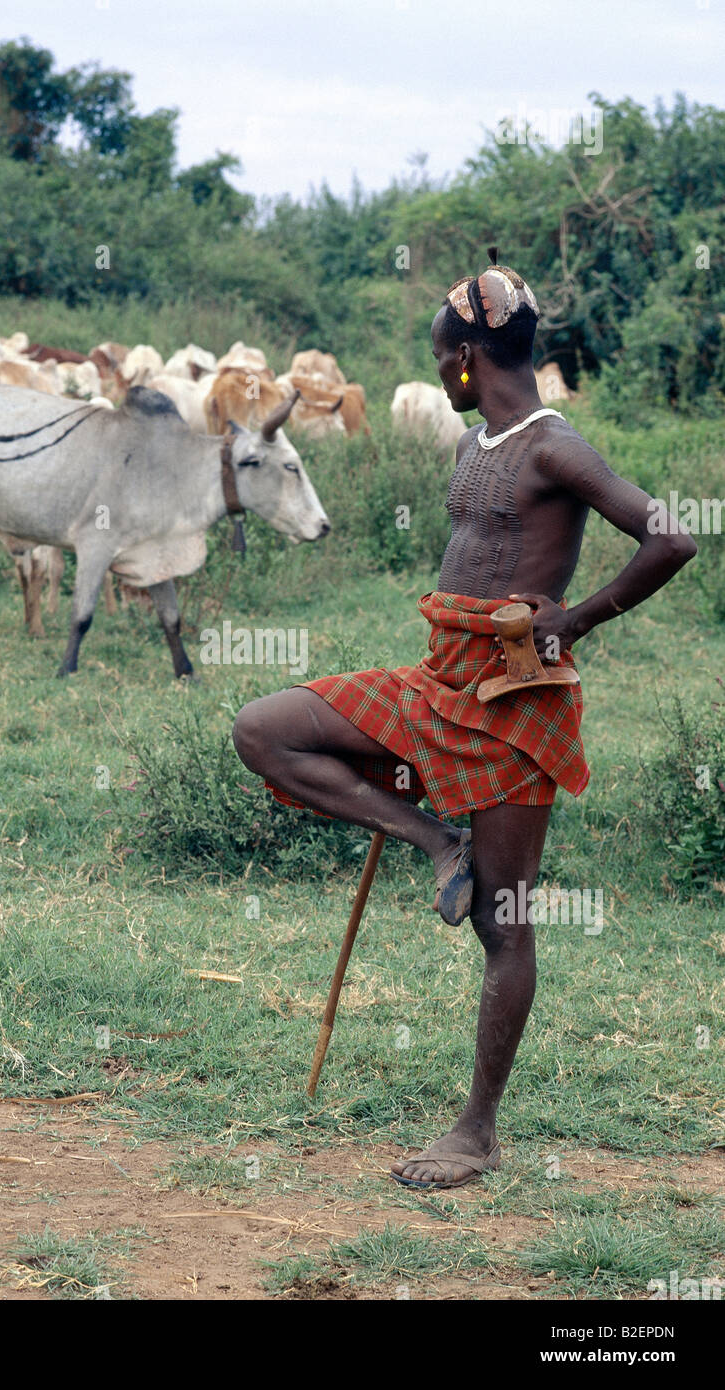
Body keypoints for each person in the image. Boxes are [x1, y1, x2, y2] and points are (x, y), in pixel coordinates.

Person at [231, 251, 697, 1190]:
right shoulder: (472, 443)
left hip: (517, 703)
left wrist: (575, 620)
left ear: (462, 361)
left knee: (504, 920)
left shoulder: (553, 445)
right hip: (437, 679)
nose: (438, 369)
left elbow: (672, 533)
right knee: (265, 730)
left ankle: (476, 1134)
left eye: (439, 355)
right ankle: (432, 839)